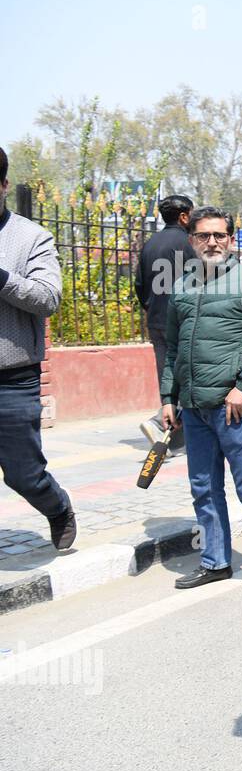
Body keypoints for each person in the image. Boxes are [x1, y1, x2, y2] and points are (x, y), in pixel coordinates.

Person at [162, 206, 242, 593]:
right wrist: (168, 397)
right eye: (204, 236)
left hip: (236, 407)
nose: (212, 242)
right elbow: (172, 350)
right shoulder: (182, 285)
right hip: (194, 407)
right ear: (192, 241)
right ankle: (215, 561)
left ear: (231, 240)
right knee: (203, 487)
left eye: (220, 235)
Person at [0, 145, 76, 550]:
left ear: (4, 186)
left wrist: (2, 279)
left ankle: (58, 508)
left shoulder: (31, 238)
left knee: (22, 473)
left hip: (12, 379)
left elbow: (48, 298)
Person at [135, 194, 195, 454]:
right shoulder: (189, 243)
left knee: (167, 375)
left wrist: (151, 306)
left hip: (156, 318)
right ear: (183, 216)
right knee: (189, 374)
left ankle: (175, 437)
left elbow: (139, 284)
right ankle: (160, 422)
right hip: (182, 319)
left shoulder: (150, 244)